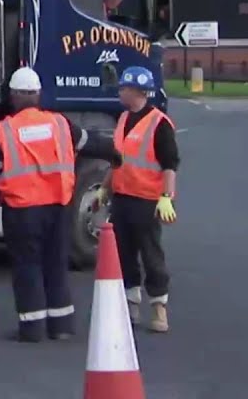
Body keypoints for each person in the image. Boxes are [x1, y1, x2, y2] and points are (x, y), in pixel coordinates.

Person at [0, 67, 88, 342]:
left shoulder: (3, 130)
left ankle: (32, 327)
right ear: (38, 94)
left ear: (14, 97)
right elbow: (86, 141)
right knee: (55, 263)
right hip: (58, 205)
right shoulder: (59, 123)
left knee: (27, 266)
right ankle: (62, 326)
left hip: (22, 209)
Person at [101, 66, 179, 333]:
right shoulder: (123, 119)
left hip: (147, 200)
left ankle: (159, 308)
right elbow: (117, 161)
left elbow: (170, 164)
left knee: (151, 254)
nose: (120, 92)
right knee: (125, 255)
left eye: (123, 88)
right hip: (122, 198)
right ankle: (130, 306)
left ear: (136, 91)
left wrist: (166, 197)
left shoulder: (159, 124)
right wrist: (104, 190)